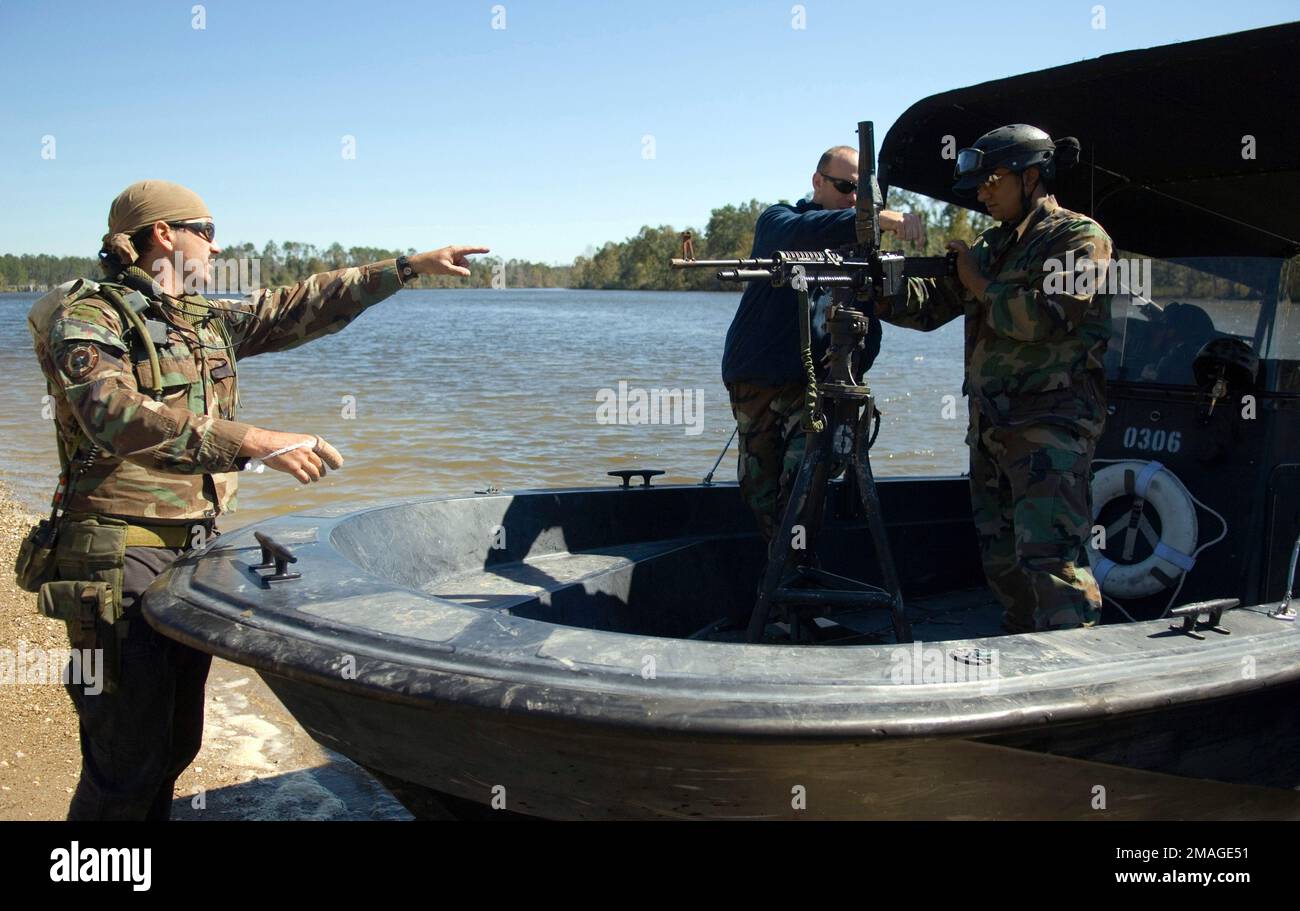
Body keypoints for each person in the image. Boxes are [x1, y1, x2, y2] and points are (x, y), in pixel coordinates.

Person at [28, 179, 486, 819]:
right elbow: (115, 415)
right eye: (206, 232)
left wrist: (407, 268)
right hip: (114, 554)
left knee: (172, 747)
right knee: (123, 763)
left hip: (190, 555)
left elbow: (298, 305)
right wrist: (252, 441)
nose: (216, 248)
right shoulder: (92, 315)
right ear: (163, 233)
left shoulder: (197, 319)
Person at [876, 125, 1113, 632]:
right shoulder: (992, 244)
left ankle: (1075, 672)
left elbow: (1047, 316)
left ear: (1032, 178)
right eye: (979, 184)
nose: (982, 193)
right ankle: (1025, 653)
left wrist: (977, 281)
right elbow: (932, 307)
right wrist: (878, 290)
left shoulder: (1078, 237)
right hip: (991, 426)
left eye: (993, 181)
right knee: (1002, 560)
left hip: (1049, 426)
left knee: (1053, 560)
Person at [722, 145, 924, 541]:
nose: (854, 199)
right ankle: (780, 570)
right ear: (817, 182)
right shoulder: (780, 219)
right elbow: (803, 232)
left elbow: (870, 327)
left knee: (805, 480)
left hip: (812, 388)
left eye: (864, 196)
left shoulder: (863, 251)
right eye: (847, 187)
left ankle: (793, 572)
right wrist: (873, 219)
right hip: (757, 379)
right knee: (758, 491)